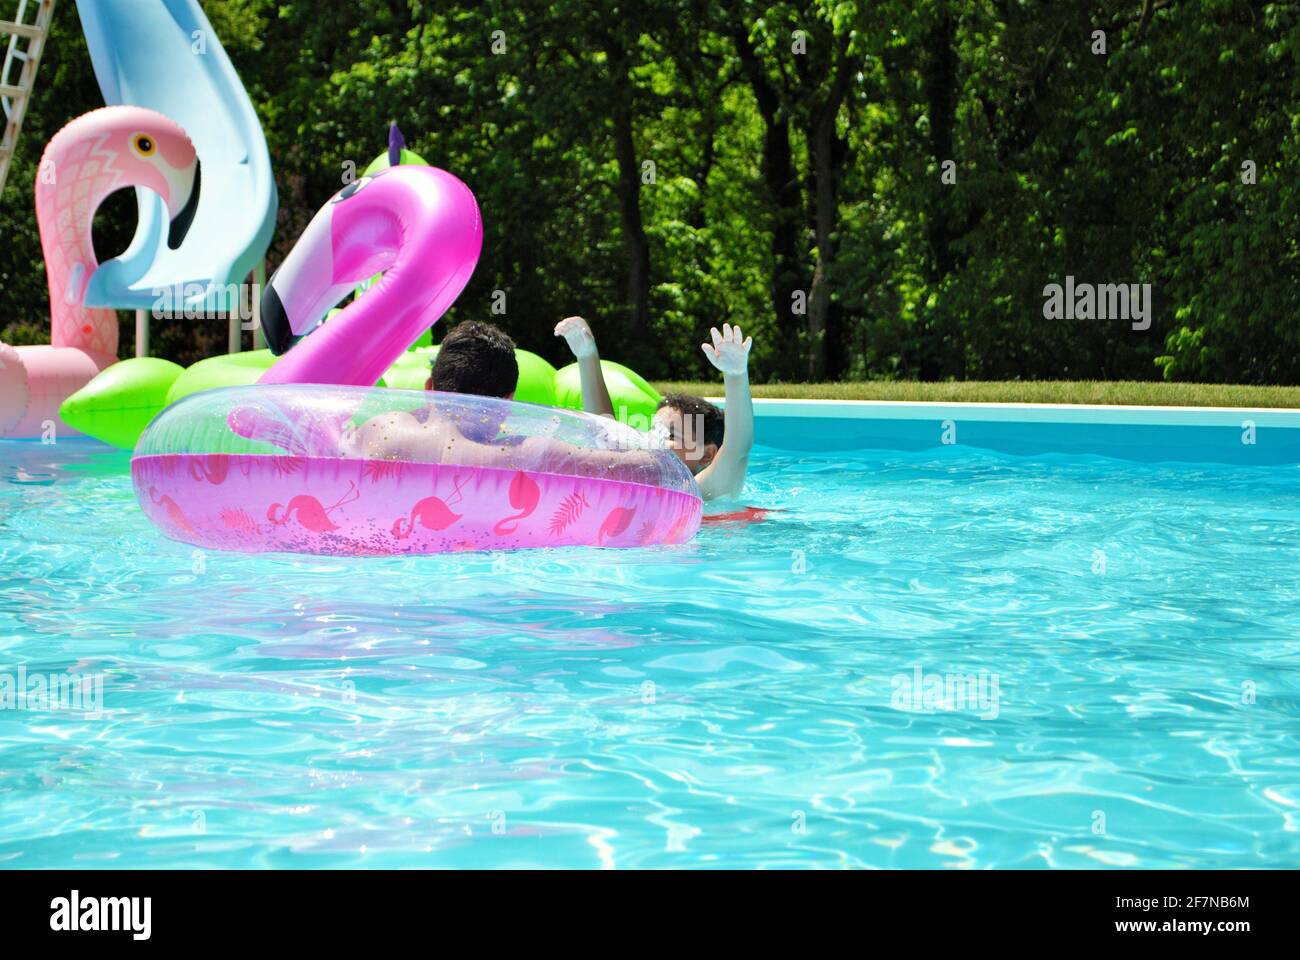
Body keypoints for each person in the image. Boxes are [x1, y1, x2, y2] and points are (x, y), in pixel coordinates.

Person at [555, 316, 753, 500]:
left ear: (706, 454)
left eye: (671, 435)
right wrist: (587, 355)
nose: (655, 439)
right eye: (653, 430)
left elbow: (737, 450)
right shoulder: (637, 476)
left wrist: (735, 376)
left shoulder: (701, 490)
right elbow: (602, 431)